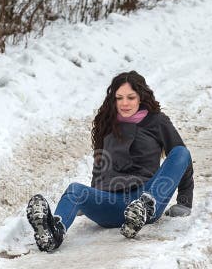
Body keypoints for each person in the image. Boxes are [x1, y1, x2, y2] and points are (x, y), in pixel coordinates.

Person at [27, 70, 194, 252]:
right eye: (119, 98)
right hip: (111, 202)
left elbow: (181, 161)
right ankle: (53, 233)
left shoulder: (157, 121)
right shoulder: (106, 123)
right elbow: (100, 166)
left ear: (141, 97)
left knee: (180, 152)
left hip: (147, 196)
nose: (124, 103)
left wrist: (184, 201)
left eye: (130, 97)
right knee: (75, 190)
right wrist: (87, 200)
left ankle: (142, 210)